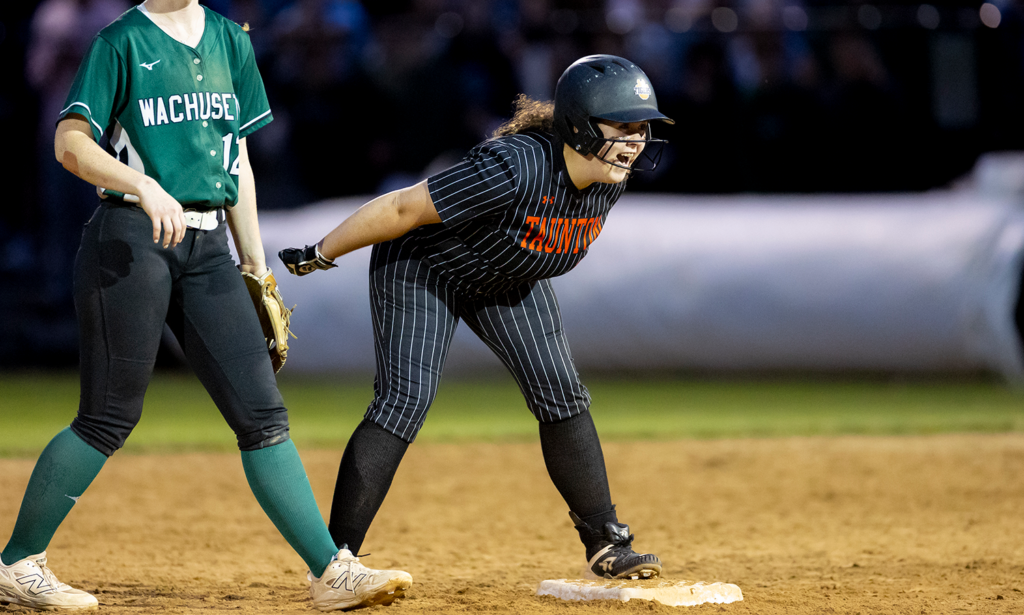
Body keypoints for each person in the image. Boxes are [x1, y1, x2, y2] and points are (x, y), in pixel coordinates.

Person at [0, 0, 411, 611]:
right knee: (108, 417)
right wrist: (141, 184)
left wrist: (254, 262)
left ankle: (330, 572)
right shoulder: (121, 41)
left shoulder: (229, 40)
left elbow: (236, 158)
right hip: (130, 237)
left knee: (262, 415)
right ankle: (16, 563)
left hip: (210, 246)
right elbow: (69, 142)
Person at [279, 55, 674, 582]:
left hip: (506, 277)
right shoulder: (514, 167)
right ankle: (334, 562)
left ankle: (605, 542)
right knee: (404, 402)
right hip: (424, 266)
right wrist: (320, 252)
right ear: (579, 124)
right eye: (622, 125)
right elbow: (403, 209)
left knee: (562, 393)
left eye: (641, 127)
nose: (636, 140)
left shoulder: (609, 176)